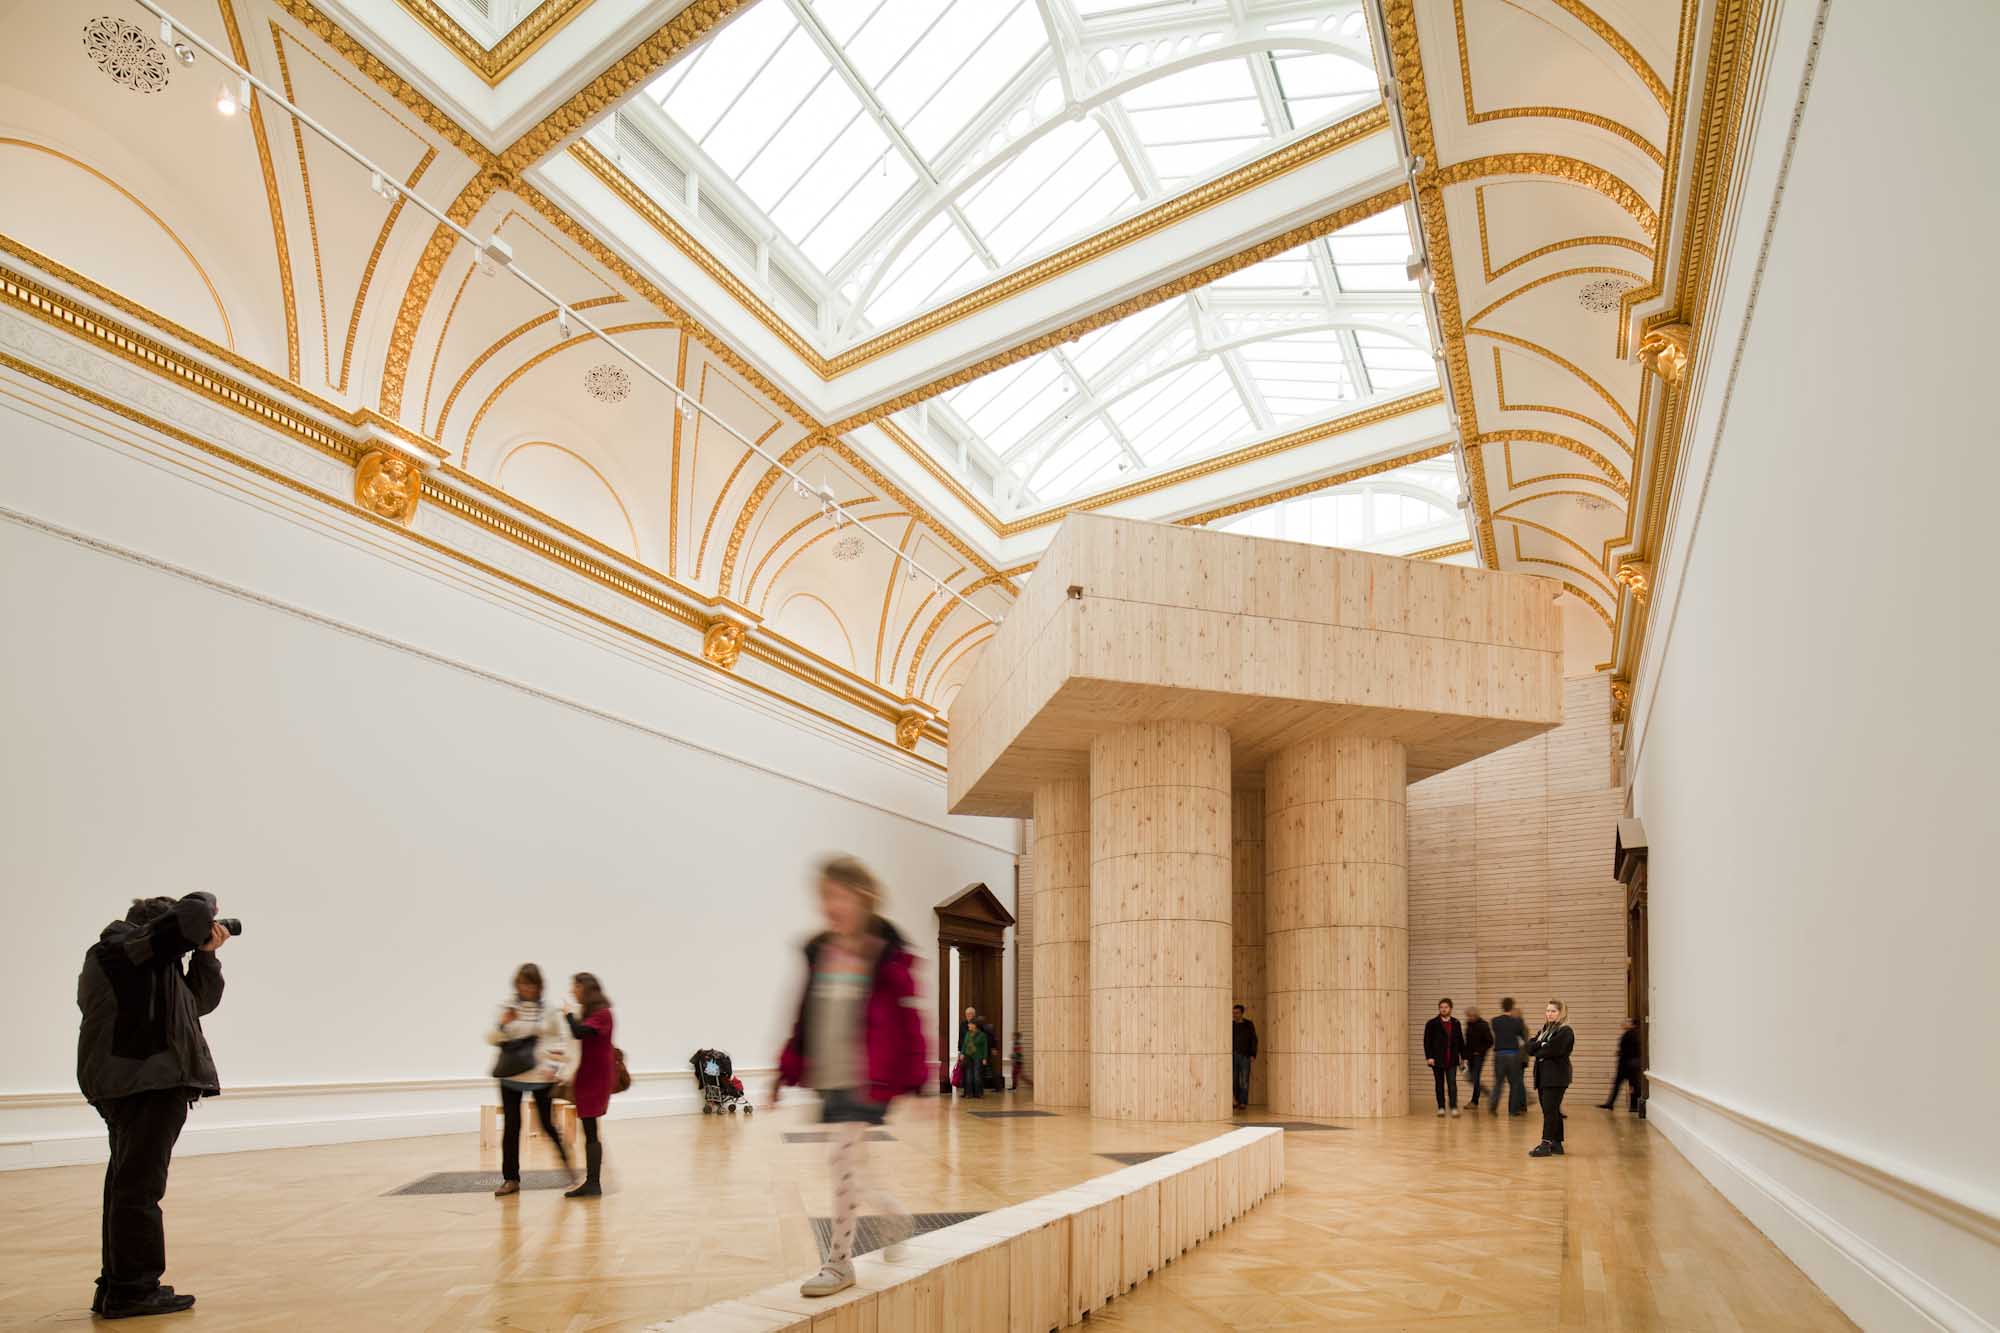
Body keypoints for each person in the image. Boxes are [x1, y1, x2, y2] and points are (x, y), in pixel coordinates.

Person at [774, 856, 927, 1298]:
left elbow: (908, 1021)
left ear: (861, 897)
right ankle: (895, 1216)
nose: (827, 906)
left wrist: (918, 1081)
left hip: (869, 1079)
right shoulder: (820, 951)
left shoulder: (885, 954)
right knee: (853, 1167)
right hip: (832, 1077)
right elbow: (803, 1015)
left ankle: (839, 1263)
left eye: (835, 895)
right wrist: (786, 1068)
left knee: (840, 1164)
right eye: (822, 897)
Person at [76, 893, 230, 1320]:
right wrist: (205, 911)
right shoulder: (122, 949)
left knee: (126, 1186)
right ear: (159, 928)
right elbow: (194, 910)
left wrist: (206, 958)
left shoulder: (145, 967)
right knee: (139, 1190)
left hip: (137, 1083)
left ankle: (116, 1284)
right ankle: (134, 1289)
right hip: (145, 1083)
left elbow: (198, 1004)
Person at [487, 963, 572, 1196]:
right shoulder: (507, 1007)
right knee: (512, 1127)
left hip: (540, 1075)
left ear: (539, 986)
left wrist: (553, 1066)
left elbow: (560, 1041)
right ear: (517, 984)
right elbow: (493, 1038)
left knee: (548, 1124)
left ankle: (568, 1167)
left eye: (531, 984)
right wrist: (504, 1024)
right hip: (510, 1075)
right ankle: (511, 1179)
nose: (527, 988)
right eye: (523, 983)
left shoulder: (549, 1011)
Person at [561, 972, 614, 1197]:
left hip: (595, 1077)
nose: (572, 991)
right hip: (588, 1075)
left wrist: (569, 1015)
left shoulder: (602, 1014)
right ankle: (592, 1182)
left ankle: (593, 1183)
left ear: (586, 988)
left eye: (575, 987)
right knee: (589, 1128)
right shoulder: (595, 1013)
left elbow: (579, 1032)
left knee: (590, 1129)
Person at [1526, 999, 1575, 1157]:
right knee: (1553, 1110)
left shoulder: (1565, 1031)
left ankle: (1545, 1144)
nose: (1549, 1014)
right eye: (1547, 1010)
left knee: (1549, 1111)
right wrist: (1541, 1044)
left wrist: (1540, 1047)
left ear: (1561, 1013)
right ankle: (1557, 1144)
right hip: (1543, 1077)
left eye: (1553, 1011)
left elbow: (1552, 1050)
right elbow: (1529, 1047)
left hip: (1556, 1077)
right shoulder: (1545, 1030)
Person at [1422, 997, 1466, 1115]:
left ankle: (1453, 1107)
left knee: (1452, 1083)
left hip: (1452, 1058)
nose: (1443, 1009)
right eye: (1441, 1007)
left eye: (1446, 1007)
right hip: (1437, 1059)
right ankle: (1441, 1107)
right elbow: (1427, 1041)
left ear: (1450, 1008)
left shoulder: (1456, 1023)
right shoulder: (1432, 1023)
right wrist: (1429, 1057)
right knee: (1439, 1084)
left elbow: (1460, 1041)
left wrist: (1463, 1058)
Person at [1487, 997, 1528, 1116]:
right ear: (1512, 1006)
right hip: (1513, 1055)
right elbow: (1522, 1036)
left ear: (1502, 1006)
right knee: (1514, 1083)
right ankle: (1513, 1110)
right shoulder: (1517, 1022)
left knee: (1498, 1082)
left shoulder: (1495, 1021)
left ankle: (1493, 1107)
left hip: (1499, 1055)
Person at [1600, 1019, 1643, 1112]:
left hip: (1628, 1065)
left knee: (1633, 1086)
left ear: (1632, 1024)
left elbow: (1630, 1050)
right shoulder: (1632, 1033)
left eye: (1627, 1021)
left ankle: (1634, 1106)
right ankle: (1613, 1104)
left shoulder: (1631, 1034)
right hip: (1629, 1064)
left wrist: (1620, 1053)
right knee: (1629, 1085)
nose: (1624, 1023)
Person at [1463, 1005, 1493, 1109]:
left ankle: (1474, 1102)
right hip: (1470, 1056)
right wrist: (1464, 1057)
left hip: (1479, 1057)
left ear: (1476, 1015)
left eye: (1471, 1016)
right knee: (1470, 1077)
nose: (1470, 1018)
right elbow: (1467, 1043)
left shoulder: (1484, 1025)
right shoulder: (1468, 1025)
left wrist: (1479, 1051)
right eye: (1468, 1016)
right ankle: (1487, 1092)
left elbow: (1490, 1041)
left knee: (1475, 1077)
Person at [1231, 1004, 1258, 1111]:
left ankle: (1243, 1102)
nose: (1234, 1015)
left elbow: (1254, 1039)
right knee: (1234, 1080)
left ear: (1242, 1013)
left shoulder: (1248, 1024)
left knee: (1244, 1080)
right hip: (1233, 1055)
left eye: (1237, 1013)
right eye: (1233, 1013)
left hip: (1245, 1056)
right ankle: (1235, 1101)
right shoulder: (1231, 1025)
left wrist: (1253, 1054)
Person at [961, 1011, 990, 1100]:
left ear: (975, 1025)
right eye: (968, 1024)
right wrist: (962, 1053)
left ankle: (979, 1093)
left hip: (978, 1057)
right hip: (968, 1057)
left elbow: (985, 1047)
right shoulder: (967, 1034)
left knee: (977, 1076)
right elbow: (964, 1045)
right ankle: (969, 1093)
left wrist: (985, 1058)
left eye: (970, 1024)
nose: (968, 1026)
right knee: (969, 1075)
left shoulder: (982, 1035)